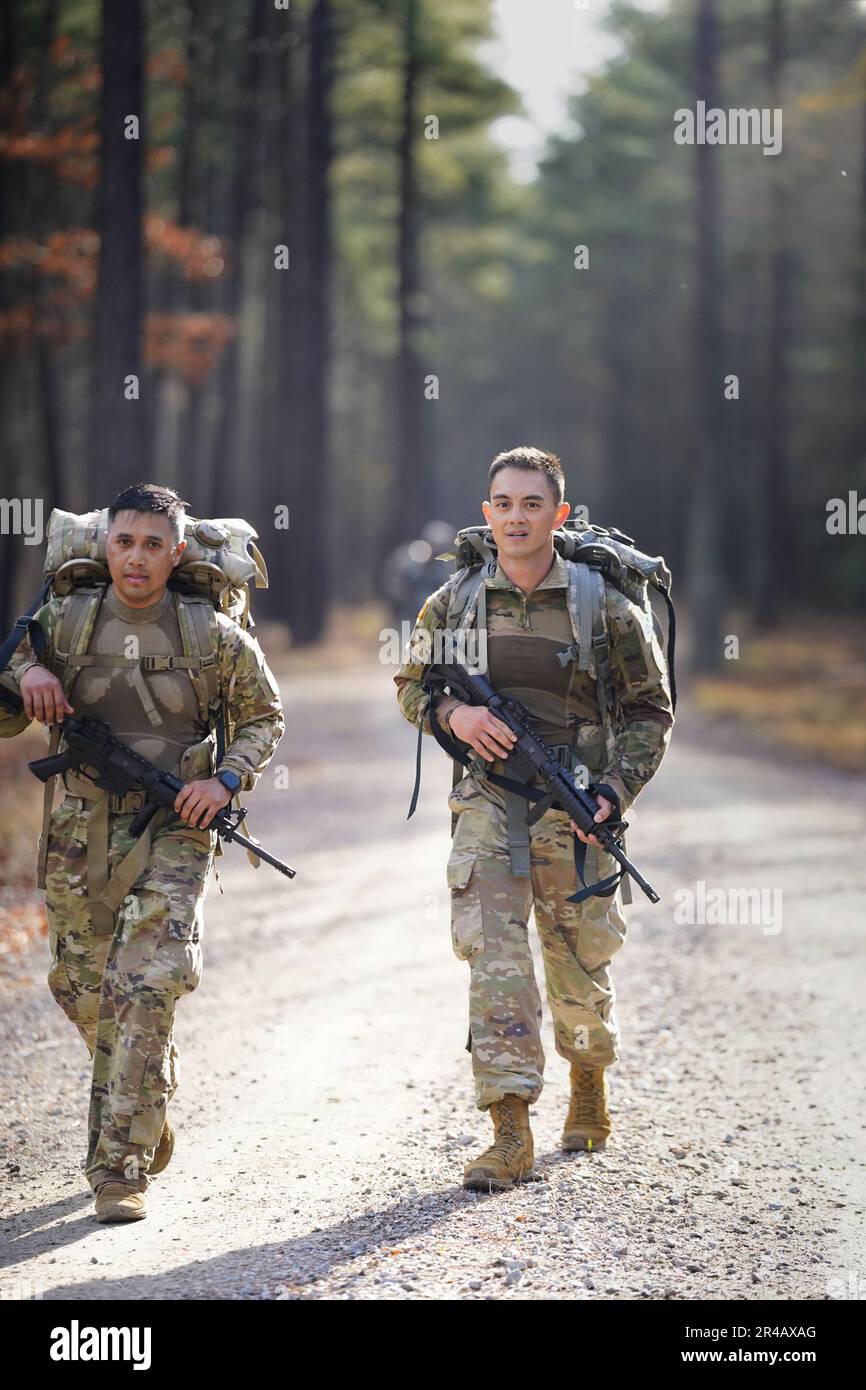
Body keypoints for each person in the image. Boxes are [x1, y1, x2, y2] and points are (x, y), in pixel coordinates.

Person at [2, 483, 285, 1223]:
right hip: (80, 829)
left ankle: (119, 1169)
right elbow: (4, 696)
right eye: (125, 542)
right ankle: (148, 1086)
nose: (137, 557)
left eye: (153, 544)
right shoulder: (62, 621)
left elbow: (264, 717)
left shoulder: (210, 635)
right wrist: (25, 674)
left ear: (177, 552)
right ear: (105, 545)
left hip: (177, 826)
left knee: (147, 982)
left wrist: (225, 781)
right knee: (80, 986)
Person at [394, 447, 673, 1190]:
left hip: (578, 800)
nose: (516, 516)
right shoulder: (454, 601)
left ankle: (588, 1079)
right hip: (489, 798)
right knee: (495, 955)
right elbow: (411, 684)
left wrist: (615, 790)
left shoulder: (602, 606)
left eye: (532, 503)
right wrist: (455, 714)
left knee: (577, 959)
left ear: (559, 513)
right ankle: (509, 1126)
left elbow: (650, 710)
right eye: (503, 503)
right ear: (487, 512)